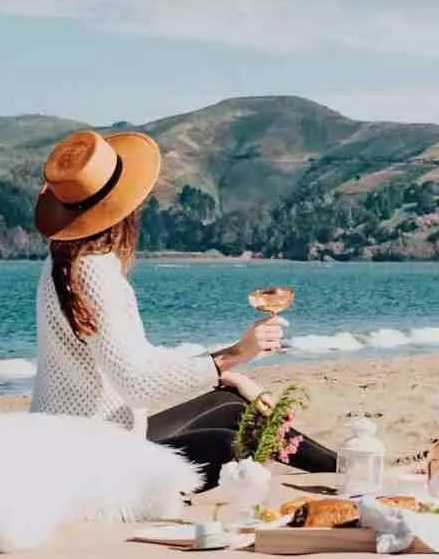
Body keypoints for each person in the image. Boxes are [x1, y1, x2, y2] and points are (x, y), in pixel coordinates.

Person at [28, 129, 337, 491]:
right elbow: (138, 383)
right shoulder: (94, 271)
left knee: (231, 404)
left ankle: (343, 467)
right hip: (94, 465)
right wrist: (236, 354)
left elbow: (135, 359)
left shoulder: (67, 260)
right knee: (228, 445)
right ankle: (348, 469)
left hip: (74, 446)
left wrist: (223, 370)